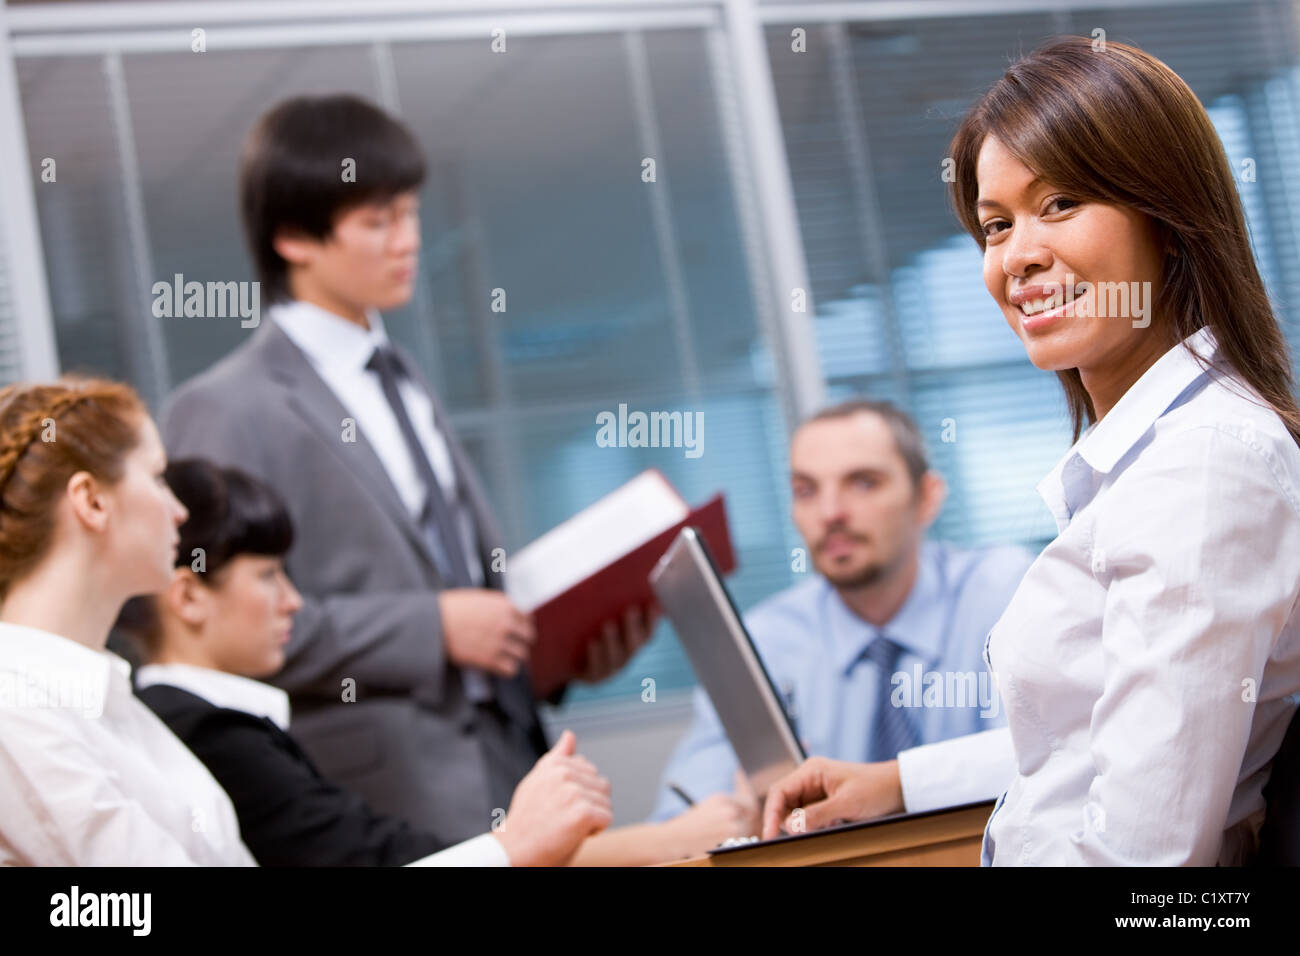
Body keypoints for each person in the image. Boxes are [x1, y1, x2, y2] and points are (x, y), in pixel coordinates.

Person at [761, 36, 1300, 866]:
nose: (1018, 257)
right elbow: (1100, 738)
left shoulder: (1206, 466)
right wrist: (897, 783)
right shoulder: (1153, 455)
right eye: (996, 225)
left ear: (1168, 216)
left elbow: (1145, 862)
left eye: (1059, 205)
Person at [160, 94, 651, 843]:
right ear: (294, 236)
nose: (409, 240)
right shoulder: (226, 407)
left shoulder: (406, 378)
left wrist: (550, 656)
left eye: (411, 213)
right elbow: (215, 623)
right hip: (385, 791)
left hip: (514, 763)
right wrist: (433, 628)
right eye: (378, 220)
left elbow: (459, 585)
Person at [117, 458, 613, 866]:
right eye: (268, 576)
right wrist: (520, 841)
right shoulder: (210, 736)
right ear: (188, 596)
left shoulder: (193, 721)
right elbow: (373, 859)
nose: (293, 602)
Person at [648, 399, 1032, 822]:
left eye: (863, 483)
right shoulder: (764, 642)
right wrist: (737, 818)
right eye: (806, 491)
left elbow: (1045, 757)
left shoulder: (1003, 591)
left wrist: (900, 785)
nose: (830, 514)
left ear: (927, 498)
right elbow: (680, 820)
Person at [0, 377, 256, 864]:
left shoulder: (109, 701)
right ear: (92, 502)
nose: (179, 512)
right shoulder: (15, 711)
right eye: (158, 478)